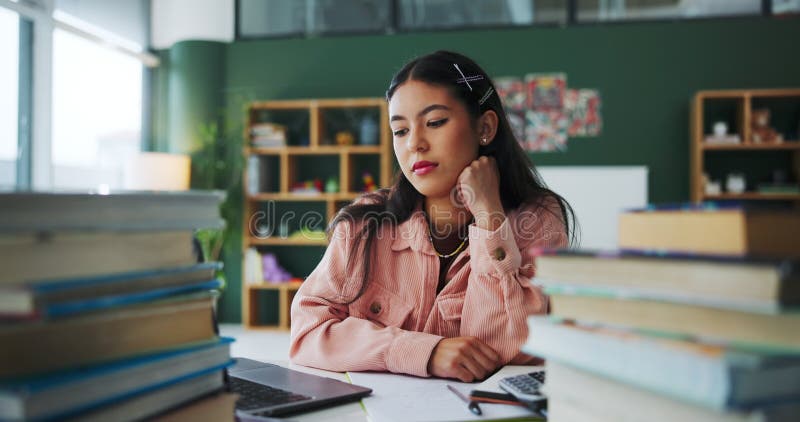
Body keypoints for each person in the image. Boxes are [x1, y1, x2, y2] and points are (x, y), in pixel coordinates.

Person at [289, 50, 575, 382]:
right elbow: (307, 332)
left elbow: (505, 348)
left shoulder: (537, 219)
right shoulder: (365, 224)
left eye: (435, 122)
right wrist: (424, 352)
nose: (415, 144)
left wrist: (489, 217)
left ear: (484, 127)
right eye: (400, 131)